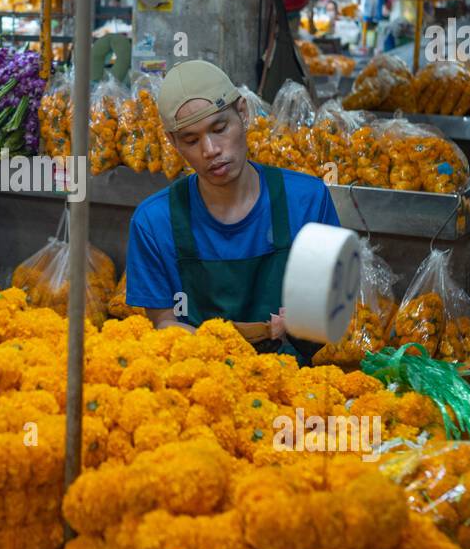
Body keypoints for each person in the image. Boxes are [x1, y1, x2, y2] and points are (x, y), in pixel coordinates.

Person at [124, 59, 341, 361]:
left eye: (219, 128)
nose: (210, 149)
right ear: (173, 143)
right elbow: (165, 324)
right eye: (191, 139)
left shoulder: (307, 201)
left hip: (295, 390)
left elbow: (331, 314)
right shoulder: (154, 222)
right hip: (200, 386)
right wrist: (217, 345)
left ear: (242, 113)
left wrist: (302, 321)